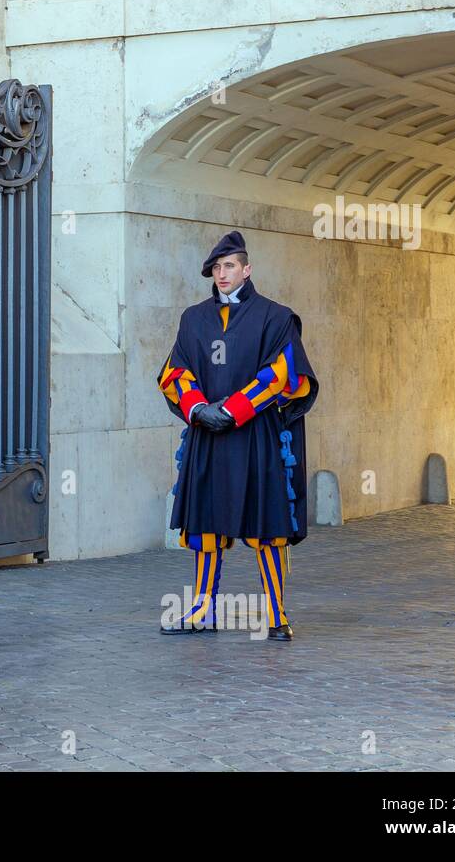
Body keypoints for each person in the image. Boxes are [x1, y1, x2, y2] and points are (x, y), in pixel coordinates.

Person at [156, 231, 319, 641]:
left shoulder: (276, 317)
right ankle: (203, 610)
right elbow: (176, 371)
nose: (222, 273)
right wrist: (199, 409)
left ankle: (277, 614)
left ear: (247, 269)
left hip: (255, 437)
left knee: (267, 525)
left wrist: (233, 410)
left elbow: (282, 373)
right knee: (205, 527)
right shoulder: (193, 319)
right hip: (207, 435)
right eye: (216, 267)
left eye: (229, 266)